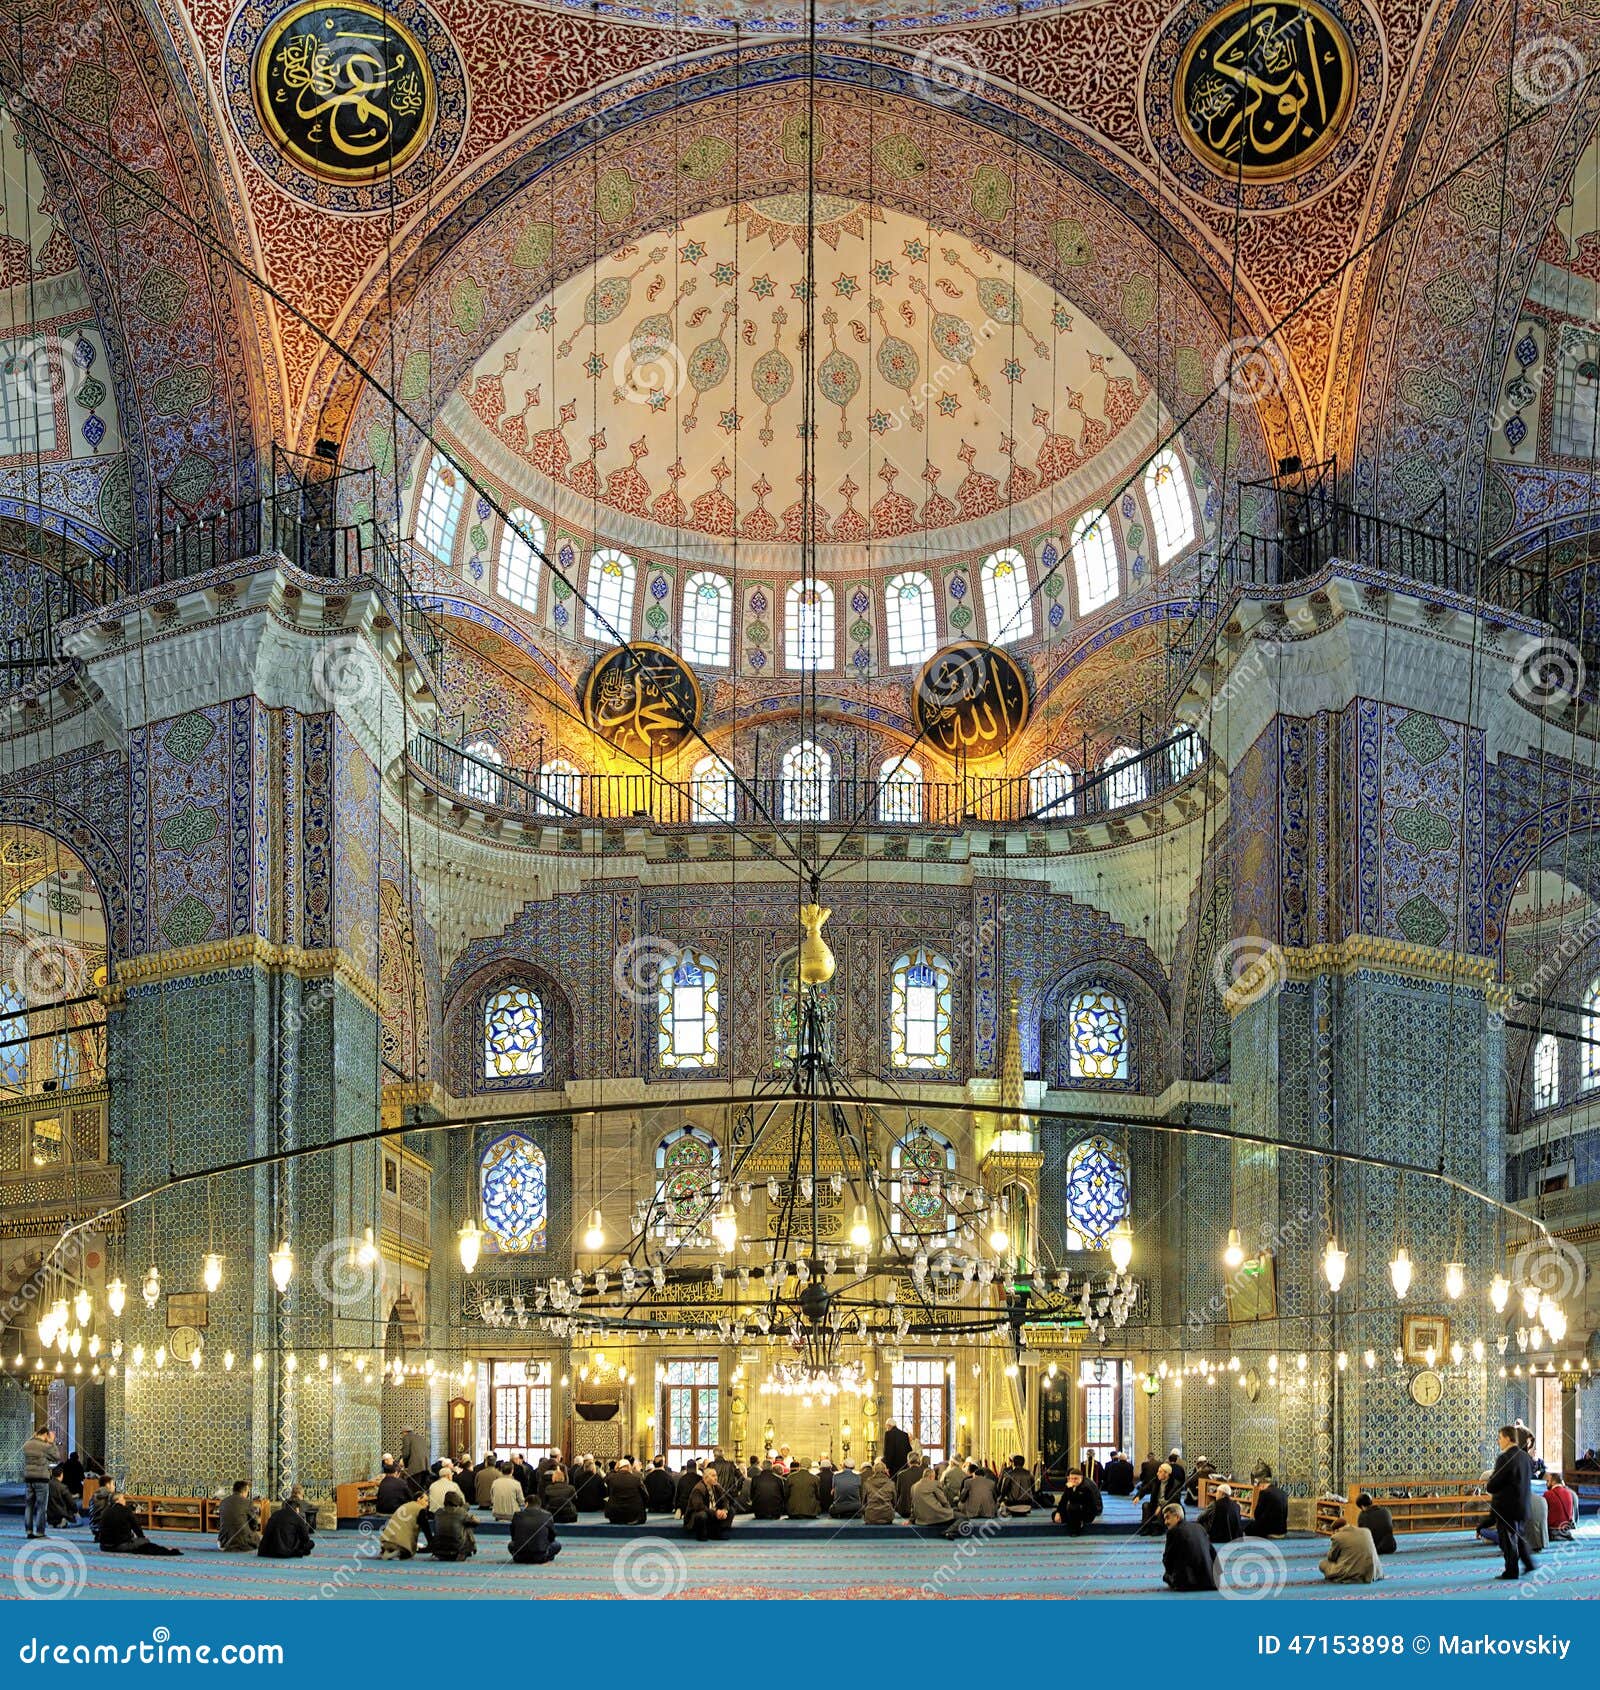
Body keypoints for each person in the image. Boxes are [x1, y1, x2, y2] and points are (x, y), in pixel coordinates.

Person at [1486, 1424, 1536, 1580]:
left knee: (1507, 1541)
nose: (1498, 1441)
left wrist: (1490, 1484)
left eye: (1500, 1438)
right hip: (1523, 1505)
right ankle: (1529, 1563)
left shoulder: (1504, 1457)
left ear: (1508, 1438)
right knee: (1519, 1536)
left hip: (1506, 1507)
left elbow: (1494, 1483)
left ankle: (1511, 1571)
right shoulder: (1525, 1457)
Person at [98, 1493, 182, 1556]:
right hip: (119, 1545)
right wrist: (142, 1538)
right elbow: (136, 1527)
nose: (125, 1500)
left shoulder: (105, 1511)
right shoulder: (125, 1510)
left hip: (104, 1546)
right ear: (117, 1500)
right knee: (145, 1541)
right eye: (123, 1498)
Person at [1161, 1504, 1218, 1591]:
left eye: (1167, 1518)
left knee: (1166, 1576)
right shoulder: (1199, 1527)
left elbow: (1167, 1560)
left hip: (1186, 1583)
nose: (1165, 1522)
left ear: (1177, 1517)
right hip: (1209, 1581)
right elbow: (1213, 1554)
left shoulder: (1173, 1531)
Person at [22, 1424, 59, 1539]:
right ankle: (40, 1532)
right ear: (45, 1434)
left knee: (29, 1505)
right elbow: (56, 1457)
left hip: (28, 1478)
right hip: (41, 1478)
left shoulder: (27, 1444)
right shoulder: (45, 1446)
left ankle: (28, 1531)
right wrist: (51, 1442)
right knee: (41, 1507)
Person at [683, 1467, 733, 1540]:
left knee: (731, 1511)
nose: (716, 1478)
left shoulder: (717, 1486)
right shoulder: (698, 1489)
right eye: (713, 1476)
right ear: (706, 1478)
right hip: (696, 1515)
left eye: (716, 1475)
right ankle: (702, 1535)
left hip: (712, 1513)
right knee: (702, 1515)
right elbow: (699, 1507)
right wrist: (715, 1513)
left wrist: (724, 1510)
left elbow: (725, 1500)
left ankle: (717, 1532)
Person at [509, 1497, 562, 1564]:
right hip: (540, 1557)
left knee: (510, 1544)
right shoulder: (547, 1515)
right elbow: (552, 1535)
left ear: (526, 1504)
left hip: (519, 1557)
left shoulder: (517, 1515)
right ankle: (547, 1556)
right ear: (540, 1504)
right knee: (557, 1544)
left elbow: (513, 1536)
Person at [1052, 1468, 1102, 1535]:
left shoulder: (1086, 1487)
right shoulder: (1070, 1485)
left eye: (1076, 1479)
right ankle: (1070, 1520)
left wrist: (1069, 1489)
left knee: (1073, 1507)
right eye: (1071, 1478)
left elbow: (1074, 1500)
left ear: (1081, 1478)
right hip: (1078, 1509)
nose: (1073, 1481)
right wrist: (1058, 1512)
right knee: (1054, 1514)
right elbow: (1063, 1500)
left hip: (1089, 1512)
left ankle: (1075, 1530)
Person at [219, 1480, 262, 1552]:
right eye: (247, 1492)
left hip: (224, 1541)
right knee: (257, 1538)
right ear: (244, 1491)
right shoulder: (248, 1502)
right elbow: (254, 1522)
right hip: (242, 1542)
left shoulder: (223, 1502)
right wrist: (253, 1530)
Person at [430, 1494, 477, 1561]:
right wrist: (469, 1515)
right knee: (467, 1526)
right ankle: (469, 1549)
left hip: (438, 1549)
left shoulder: (438, 1511)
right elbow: (476, 1523)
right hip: (456, 1549)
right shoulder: (462, 1512)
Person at [1140, 1462, 1181, 1533]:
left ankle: (1158, 1528)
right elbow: (1145, 1488)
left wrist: (1160, 1506)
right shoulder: (1155, 1481)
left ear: (1166, 1474)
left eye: (1160, 1472)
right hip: (1155, 1504)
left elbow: (1173, 1499)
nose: (1157, 1473)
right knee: (1145, 1505)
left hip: (1168, 1505)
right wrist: (1138, 1496)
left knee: (1162, 1508)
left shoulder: (1175, 1484)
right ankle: (1146, 1527)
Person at [1244, 1472, 1289, 1538]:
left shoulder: (1264, 1492)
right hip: (1282, 1530)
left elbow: (1257, 1514)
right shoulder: (1283, 1493)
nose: (1259, 1489)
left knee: (1248, 1528)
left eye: (1259, 1487)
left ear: (1262, 1485)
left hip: (1269, 1531)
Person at [605, 1457, 649, 1524]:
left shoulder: (611, 1479)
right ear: (629, 1467)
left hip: (615, 1515)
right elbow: (646, 1496)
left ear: (618, 1468)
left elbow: (607, 1495)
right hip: (633, 1515)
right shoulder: (636, 1479)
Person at [862, 1459, 897, 1523]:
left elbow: (864, 1502)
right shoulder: (891, 1483)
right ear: (885, 1470)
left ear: (874, 1470)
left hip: (871, 1515)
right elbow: (894, 1502)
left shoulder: (867, 1483)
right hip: (887, 1516)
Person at [1545, 1473, 1577, 1541]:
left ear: (1553, 1482)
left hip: (1553, 1530)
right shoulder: (1570, 1493)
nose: (1546, 1483)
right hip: (1566, 1529)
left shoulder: (1548, 1494)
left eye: (1547, 1481)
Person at [88, 1475, 117, 1540]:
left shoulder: (94, 1495)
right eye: (113, 1484)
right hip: (105, 1527)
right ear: (107, 1485)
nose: (114, 1487)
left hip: (93, 1526)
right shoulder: (110, 1495)